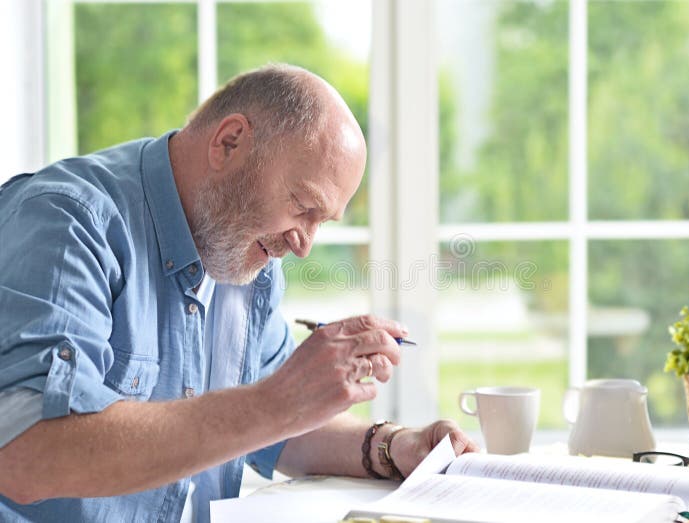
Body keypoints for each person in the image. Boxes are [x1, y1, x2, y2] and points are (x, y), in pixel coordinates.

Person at [0, 63, 478, 522]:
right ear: (230, 142)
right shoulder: (69, 223)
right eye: (301, 206)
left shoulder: (248, 258)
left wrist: (392, 447)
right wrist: (277, 401)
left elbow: (276, 434)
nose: (304, 245)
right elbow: (26, 453)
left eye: (321, 222)